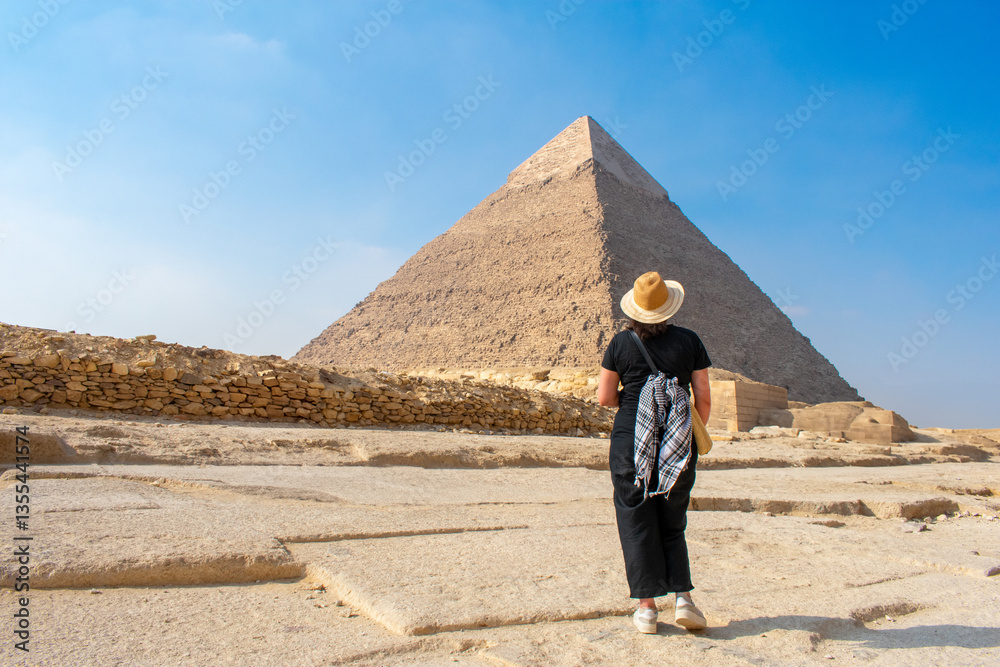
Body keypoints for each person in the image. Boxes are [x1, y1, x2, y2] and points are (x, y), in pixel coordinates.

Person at [597, 271, 712, 634]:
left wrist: (637, 405)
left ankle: (646, 609)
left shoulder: (619, 343)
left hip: (631, 439)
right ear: (668, 306)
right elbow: (704, 398)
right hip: (677, 440)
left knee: (636, 519)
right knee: (672, 519)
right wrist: (687, 432)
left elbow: (604, 398)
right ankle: (683, 600)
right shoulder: (690, 341)